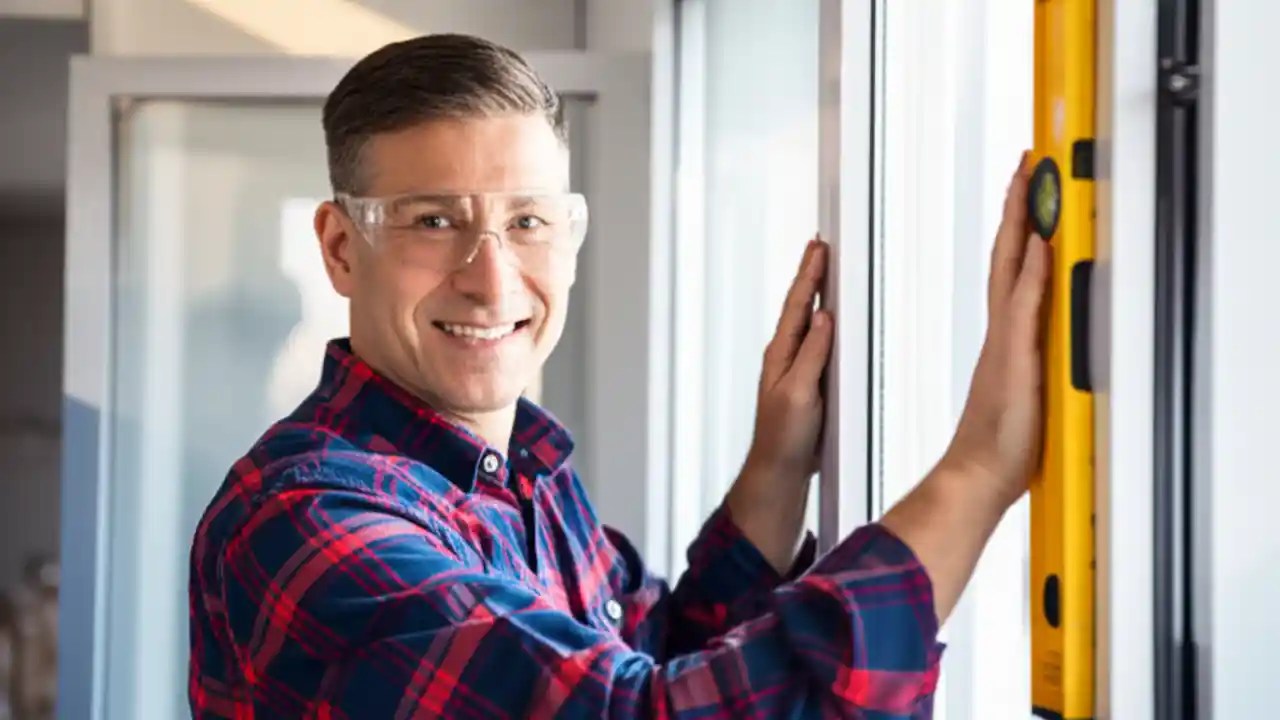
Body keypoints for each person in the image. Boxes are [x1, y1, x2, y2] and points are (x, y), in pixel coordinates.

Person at [188, 33, 1050, 719]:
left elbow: (659, 659)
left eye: (527, 221)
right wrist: (978, 470)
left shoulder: (524, 477)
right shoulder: (303, 522)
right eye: (434, 221)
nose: (492, 280)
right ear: (342, 248)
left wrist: (779, 469)